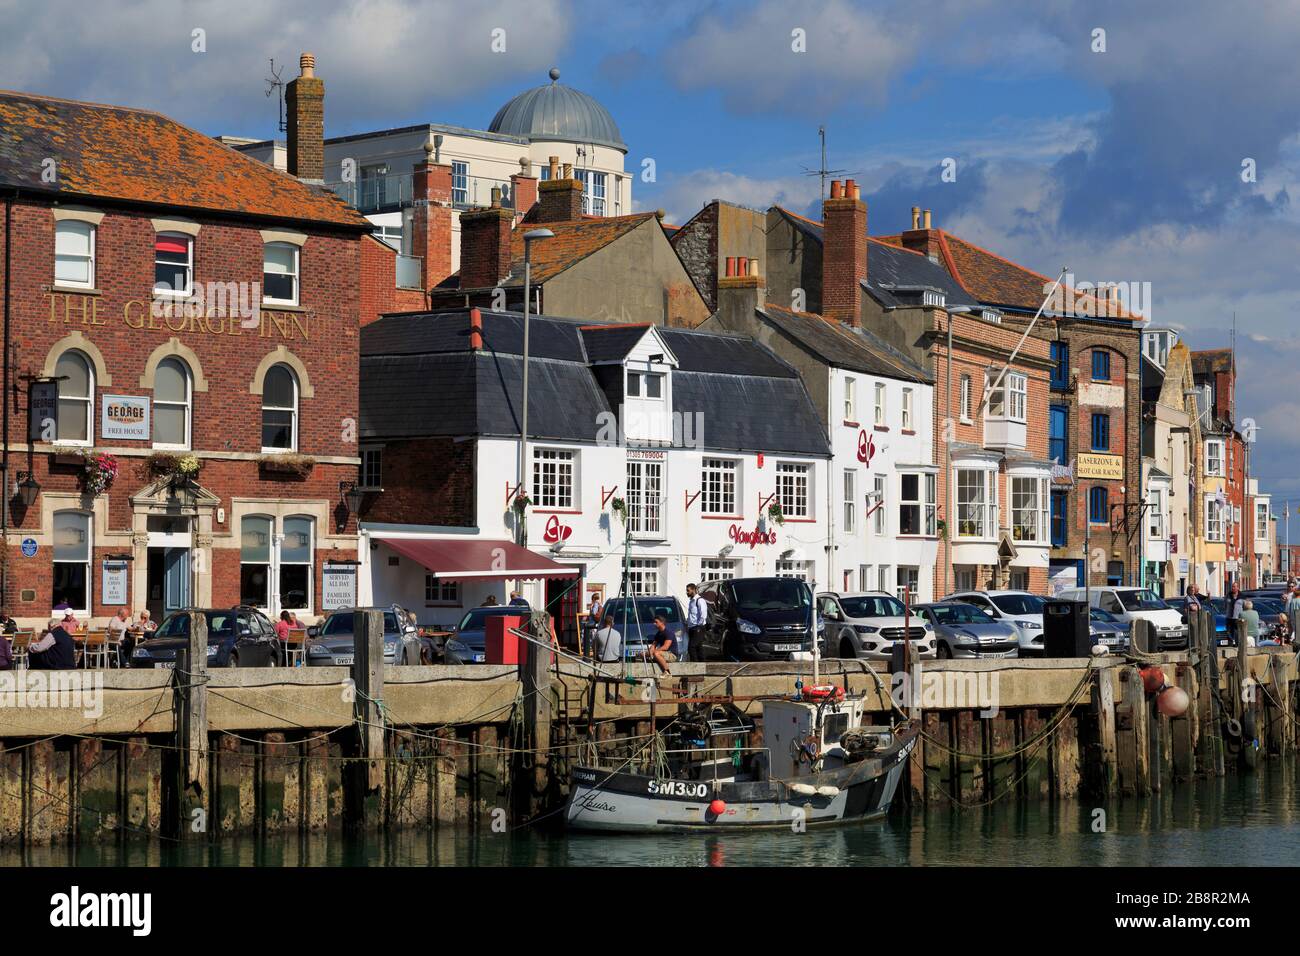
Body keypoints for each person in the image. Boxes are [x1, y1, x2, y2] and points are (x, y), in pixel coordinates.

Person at [685, 583, 708, 665]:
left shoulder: (700, 600)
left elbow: (703, 614)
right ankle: (702, 664)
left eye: (688, 590)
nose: (687, 592)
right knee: (699, 647)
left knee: (692, 646)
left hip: (698, 627)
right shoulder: (691, 601)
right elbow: (691, 615)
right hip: (691, 627)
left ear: (693, 590)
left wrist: (699, 625)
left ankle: (695, 665)